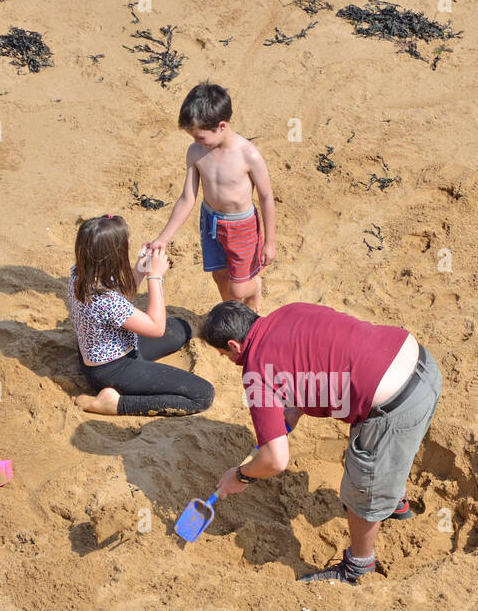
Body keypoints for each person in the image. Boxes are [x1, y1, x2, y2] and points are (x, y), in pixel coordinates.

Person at [201, 300, 442, 584]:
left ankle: (358, 567)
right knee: (391, 451)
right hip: (420, 363)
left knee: (362, 486)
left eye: (222, 355)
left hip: (396, 404)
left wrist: (240, 476)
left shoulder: (256, 372)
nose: (227, 360)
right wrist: (295, 408)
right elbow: (324, 353)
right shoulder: (290, 311)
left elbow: (275, 461)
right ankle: (395, 504)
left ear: (235, 346)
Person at [148, 82, 276, 312]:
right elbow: (188, 197)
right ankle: (234, 314)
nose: (196, 142)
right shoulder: (195, 152)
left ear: (221, 126)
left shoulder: (248, 155)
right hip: (211, 222)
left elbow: (266, 196)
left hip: (242, 226)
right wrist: (163, 239)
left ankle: (254, 288)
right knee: (219, 275)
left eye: (200, 137)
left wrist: (270, 242)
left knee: (239, 288)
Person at [68, 215, 213, 416]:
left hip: (106, 352)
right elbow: (156, 328)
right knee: (202, 395)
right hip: (113, 369)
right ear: (114, 255)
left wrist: (140, 269)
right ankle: (114, 404)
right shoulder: (105, 300)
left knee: (180, 329)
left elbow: (121, 301)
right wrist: (155, 276)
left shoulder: (81, 272)